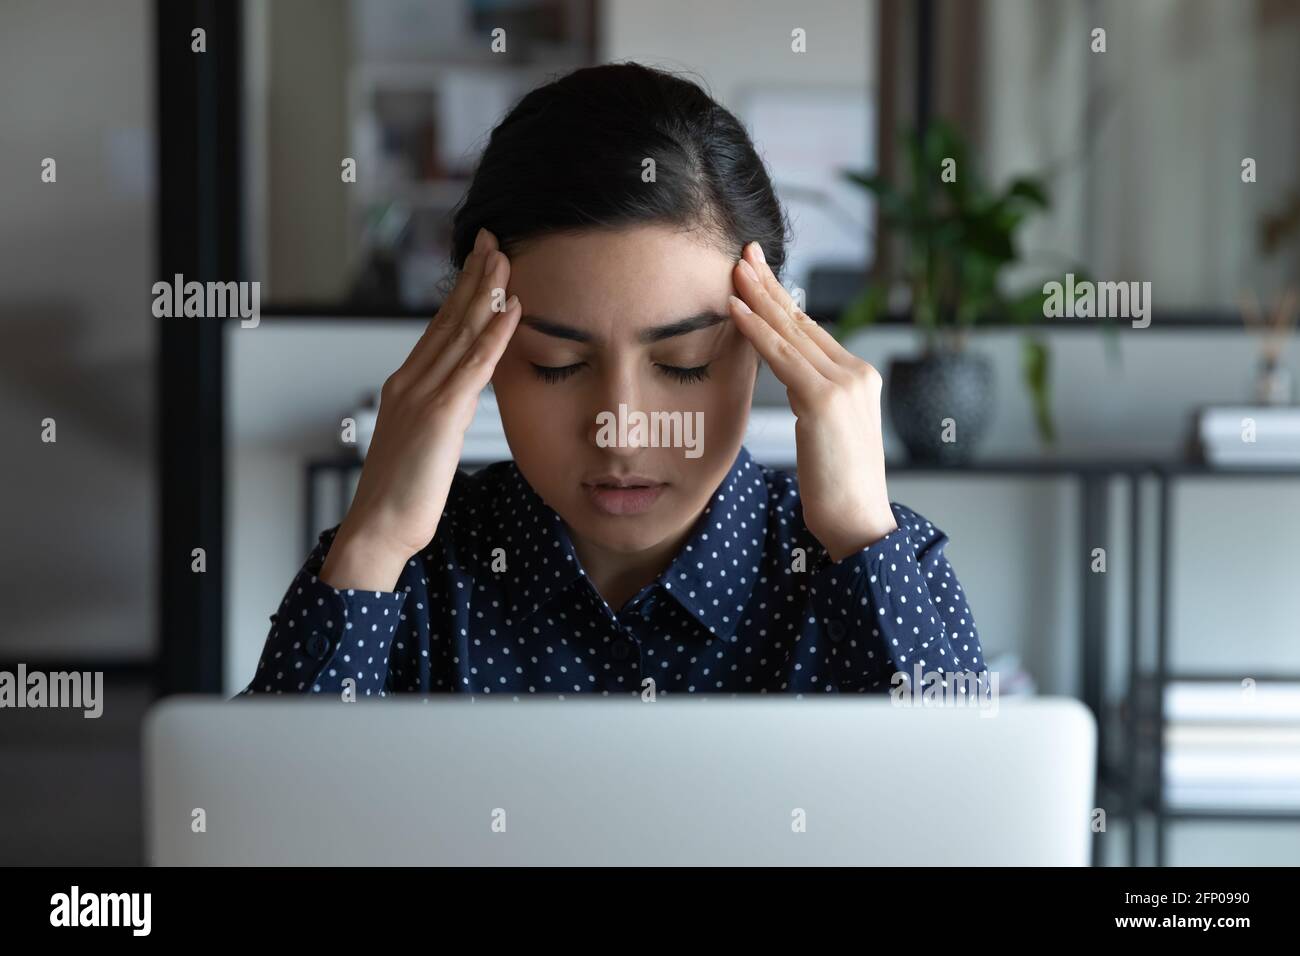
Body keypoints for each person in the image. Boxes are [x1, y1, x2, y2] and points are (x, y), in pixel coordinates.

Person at [238, 62, 985, 698]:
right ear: (481, 354)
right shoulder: (403, 580)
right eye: (558, 365)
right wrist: (371, 544)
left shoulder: (879, 564)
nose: (622, 427)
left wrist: (860, 536)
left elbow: (970, 830)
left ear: (766, 346)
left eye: (683, 363)